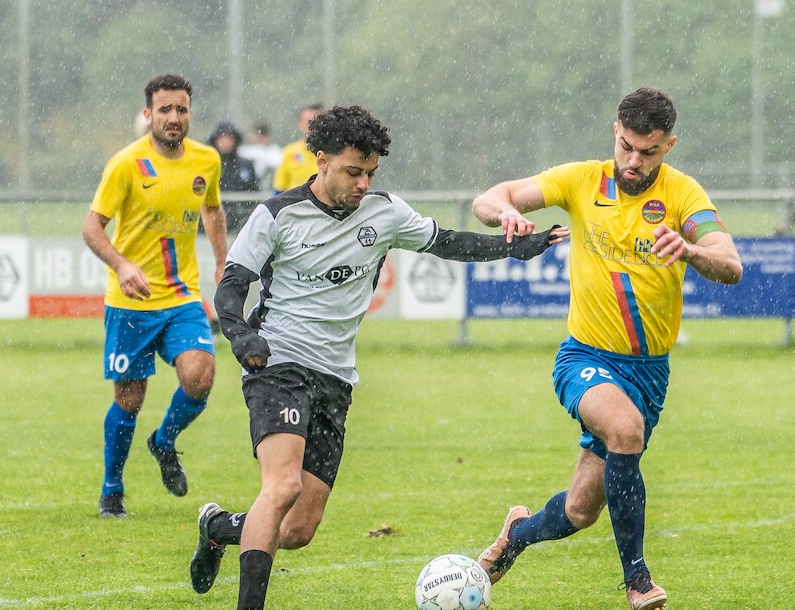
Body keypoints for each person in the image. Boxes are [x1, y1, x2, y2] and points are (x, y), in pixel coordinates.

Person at [189, 105, 567, 609]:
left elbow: (446, 241)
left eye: (370, 172)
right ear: (320, 160)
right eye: (353, 171)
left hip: (334, 377)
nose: (363, 183)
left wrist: (511, 248)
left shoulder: (384, 212)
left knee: (299, 529)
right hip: (277, 363)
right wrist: (241, 338)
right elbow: (232, 287)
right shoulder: (277, 215)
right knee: (279, 487)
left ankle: (218, 527)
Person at [470, 87, 742, 610]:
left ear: (669, 146)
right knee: (624, 428)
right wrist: (506, 214)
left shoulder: (684, 196)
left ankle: (515, 536)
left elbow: (729, 264)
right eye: (626, 147)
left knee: (578, 511)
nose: (633, 162)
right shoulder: (580, 180)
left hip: (649, 373)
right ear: (615, 133)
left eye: (648, 152)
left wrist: (690, 250)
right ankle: (638, 581)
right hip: (585, 358)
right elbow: (489, 197)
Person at [82, 74, 228, 518]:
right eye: (164, 109)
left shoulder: (206, 160)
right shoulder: (126, 164)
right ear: (148, 115)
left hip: (181, 296)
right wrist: (123, 265)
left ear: (189, 114)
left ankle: (164, 441)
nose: (173, 117)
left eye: (181, 109)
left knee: (200, 376)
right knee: (129, 399)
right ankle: (112, 490)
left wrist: (224, 266)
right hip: (131, 304)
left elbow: (214, 210)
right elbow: (92, 228)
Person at [208, 119, 262, 233]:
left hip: (241, 225)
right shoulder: (207, 164)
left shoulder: (246, 164)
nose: (225, 141)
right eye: (221, 137)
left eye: (229, 137)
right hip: (211, 226)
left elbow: (254, 193)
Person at [270, 103, 322, 193]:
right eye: (308, 121)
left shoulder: (333, 153)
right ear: (299, 123)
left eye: (317, 121)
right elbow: (279, 190)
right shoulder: (289, 152)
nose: (312, 126)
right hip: (295, 205)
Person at [238, 121, 282, 190]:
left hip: (271, 189)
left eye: (262, 135)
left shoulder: (274, 151)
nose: (259, 138)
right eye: (256, 135)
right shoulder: (244, 151)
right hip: (250, 189)